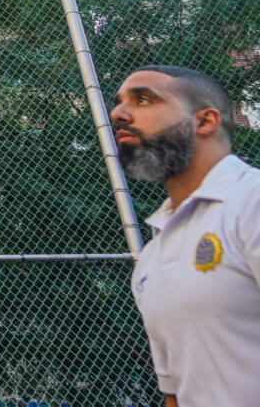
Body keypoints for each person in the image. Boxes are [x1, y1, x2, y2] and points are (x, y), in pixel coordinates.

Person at [110, 65, 260, 407]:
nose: (118, 114)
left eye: (144, 99)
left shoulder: (252, 202)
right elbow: (176, 393)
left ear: (204, 122)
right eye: (118, 103)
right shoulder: (152, 256)